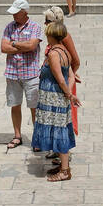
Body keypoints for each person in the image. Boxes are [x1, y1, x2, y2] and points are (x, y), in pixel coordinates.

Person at [34, 20, 79, 182]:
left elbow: (60, 79)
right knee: (61, 131)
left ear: (51, 35)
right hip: (60, 99)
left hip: (54, 100)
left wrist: (69, 95)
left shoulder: (54, 54)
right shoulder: (65, 52)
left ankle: (65, 171)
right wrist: (68, 92)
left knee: (59, 134)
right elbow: (70, 76)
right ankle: (62, 166)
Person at [1, 0, 43, 150]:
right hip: (12, 73)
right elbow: (3, 48)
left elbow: (32, 46)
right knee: (15, 105)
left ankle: (37, 137)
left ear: (24, 12)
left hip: (30, 73)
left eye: (16, 13)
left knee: (34, 107)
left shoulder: (35, 27)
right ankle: (17, 135)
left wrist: (13, 43)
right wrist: (22, 47)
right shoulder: (9, 27)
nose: (13, 16)